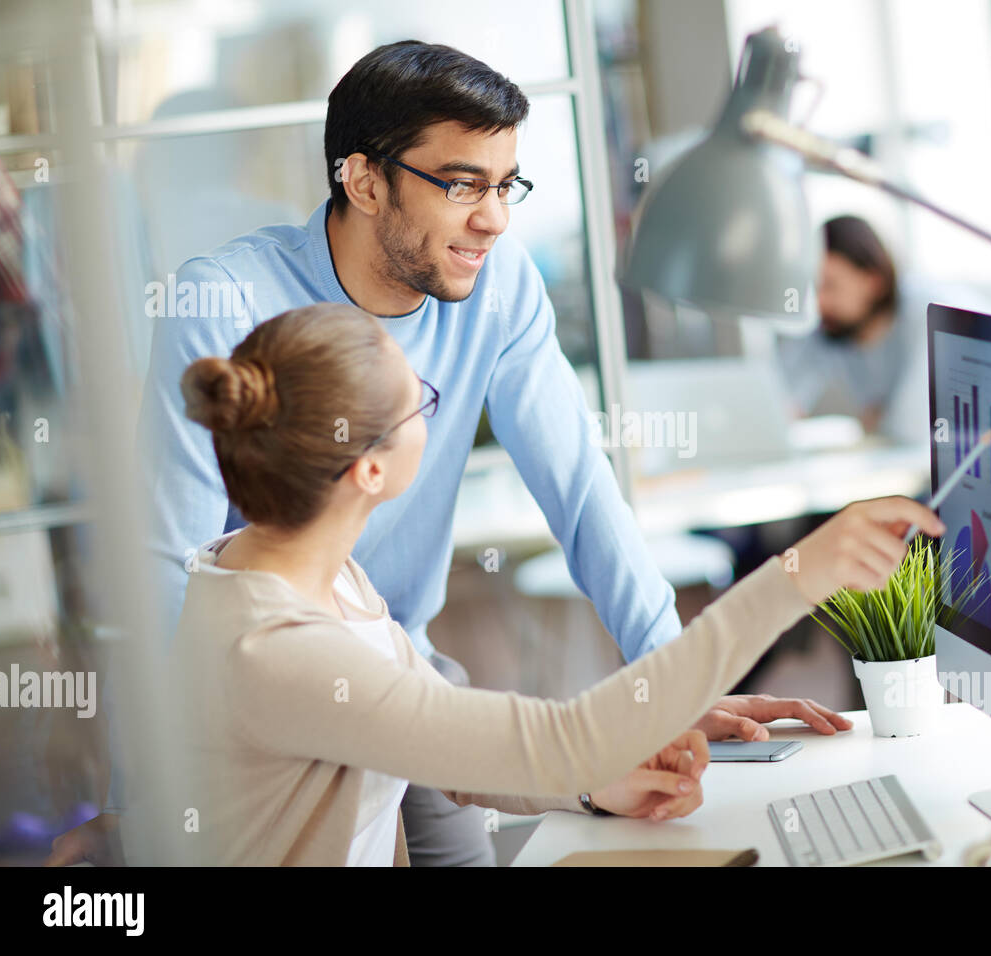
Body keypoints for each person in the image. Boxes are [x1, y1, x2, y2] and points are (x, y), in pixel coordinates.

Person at [48, 41, 859, 867]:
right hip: (263, 695)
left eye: (506, 186)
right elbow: (166, 565)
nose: (496, 219)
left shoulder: (497, 287)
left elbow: (580, 490)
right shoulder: (224, 302)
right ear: (363, 181)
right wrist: (149, 796)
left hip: (400, 658)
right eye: (463, 184)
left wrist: (673, 681)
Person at [163, 303, 945, 865]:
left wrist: (593, 789)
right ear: (369, 468)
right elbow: (555, 742)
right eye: (421, 406)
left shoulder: (320, 580)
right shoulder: (274, 647)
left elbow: (454, 755)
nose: (433, 421)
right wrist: (796, 576)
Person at [777, 215, 922, 440]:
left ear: (873, 281)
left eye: (830, 286)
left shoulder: (925, 316)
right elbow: (780, 400)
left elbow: (912, 429)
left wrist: (881, 418)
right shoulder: (831, 328)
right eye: (814, 288)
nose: (819, 302)